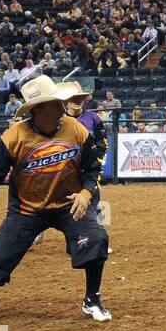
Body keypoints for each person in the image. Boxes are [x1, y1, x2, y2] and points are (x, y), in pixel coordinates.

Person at [0, 75, 112, 326]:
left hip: (68, 205)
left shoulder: (76, 129)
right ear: (38, 110)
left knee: (96, 238)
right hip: (26, 210)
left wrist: (86, 193)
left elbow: (93, 167)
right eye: (56, 104)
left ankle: (92, 298)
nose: (63, 107)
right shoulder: (14, 136)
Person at [58, 81, 110, 225]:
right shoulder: (59, 120)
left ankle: (102, 234)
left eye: (79, 98)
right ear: (66, 102)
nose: (77, 101)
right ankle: (38, 230)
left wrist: (96, 163)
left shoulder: (94, 118)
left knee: (95, 196)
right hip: (64, 170)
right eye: (73, 98)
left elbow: (103, 144)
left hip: (89, 168)